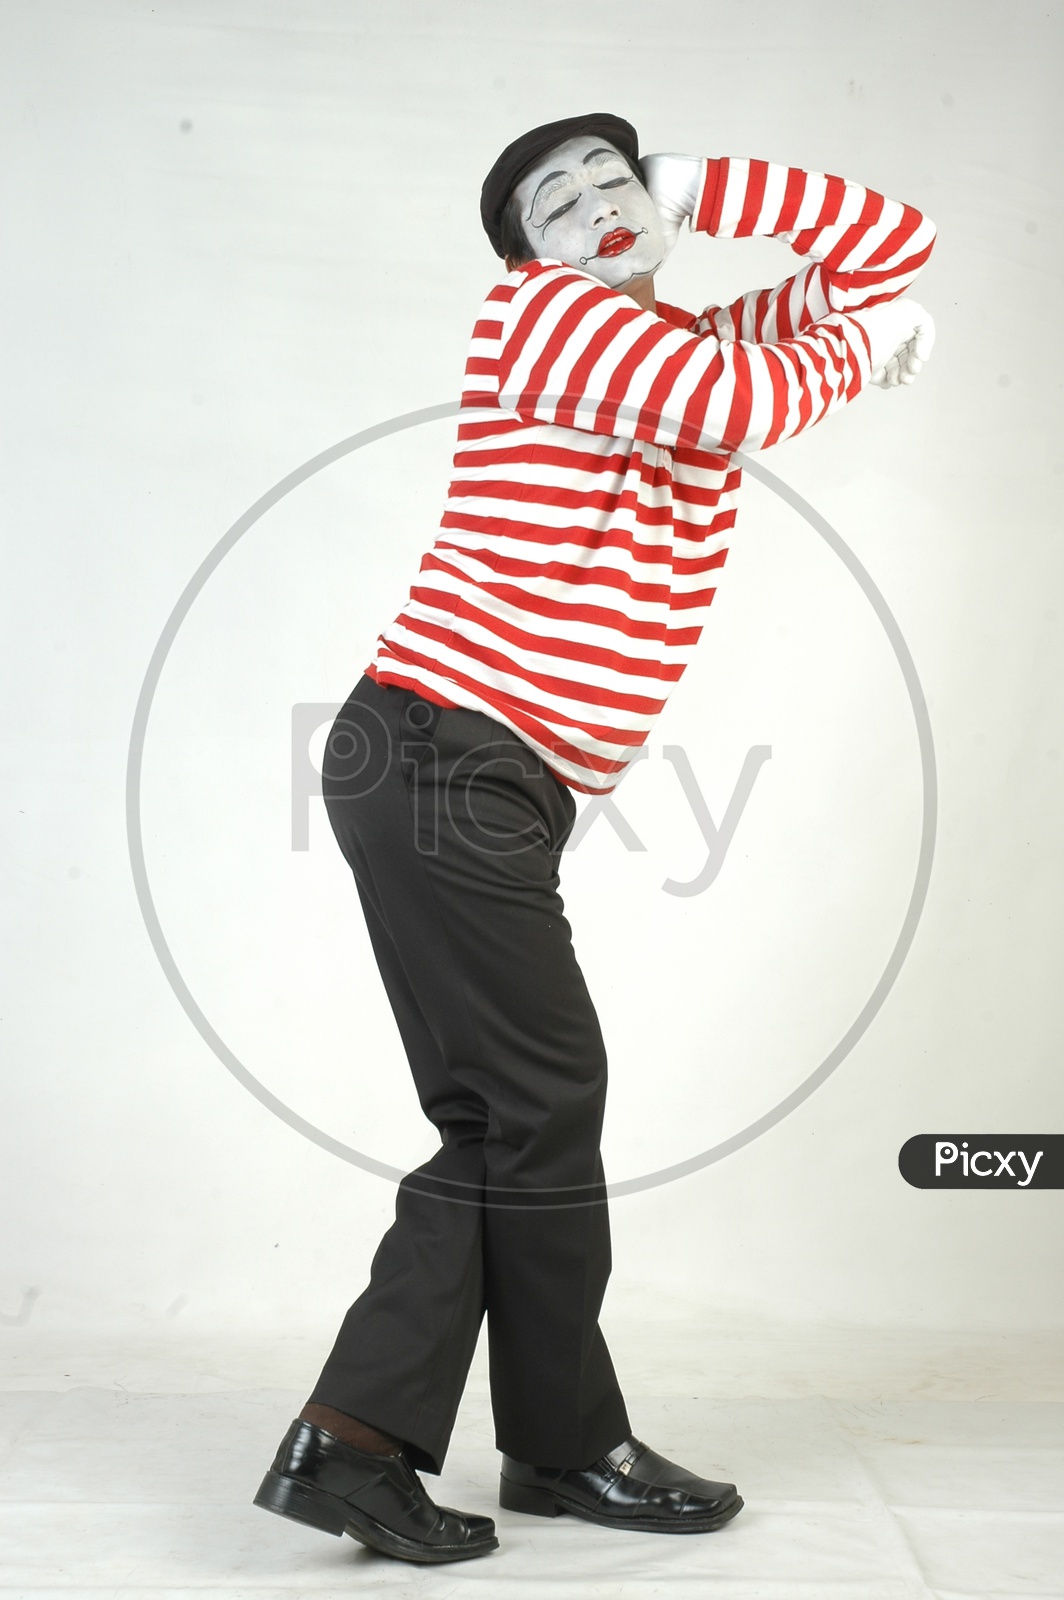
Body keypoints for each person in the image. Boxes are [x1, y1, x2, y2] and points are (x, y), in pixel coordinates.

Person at [253, 112, 937, 1565]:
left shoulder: (681, 320)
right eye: (553, 202)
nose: (592, 209)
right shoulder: (547, 316)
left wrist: (694, 187)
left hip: (487, 776)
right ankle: (366, 1442)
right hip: (443, 750)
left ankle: (554, 1446)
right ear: (527, 254)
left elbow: (896, 250)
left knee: (517, 1113)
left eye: (617, 182)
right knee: (536, 1101)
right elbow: (742, 399)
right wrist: (863, 356)